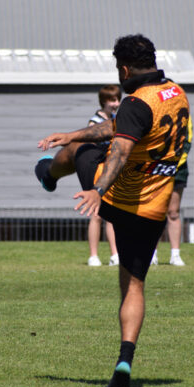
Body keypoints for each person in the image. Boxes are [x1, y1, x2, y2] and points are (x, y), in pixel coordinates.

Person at [35, 34, 190, 387]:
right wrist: (71, 132)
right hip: (154, 208)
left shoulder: (137, 102)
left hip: (119, 197)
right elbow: (122, 127)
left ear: (123, 69)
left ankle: (47, 174)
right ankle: (124, 362)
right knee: (134, 283)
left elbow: (118, 151)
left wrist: (96, 190)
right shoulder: (175, 93)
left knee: (81, 151)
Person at [85, 85, 120, 267]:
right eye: (112, 100)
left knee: (111, 213)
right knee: (97, 214)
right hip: (97, 170)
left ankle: (115, 255)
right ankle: (93, 256)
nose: (116, 103)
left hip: (111, 171)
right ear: (104, 101)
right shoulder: (95, 121)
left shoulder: (117, 119)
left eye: (117, 99)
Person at [150, 129, 191, 267]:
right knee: (154, 211)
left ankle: (175, 255)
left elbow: (187, 139)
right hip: (156, 167)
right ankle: (151, 254)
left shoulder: (183, 112)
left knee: (173, 212)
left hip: (178, 167)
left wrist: (176, 161)